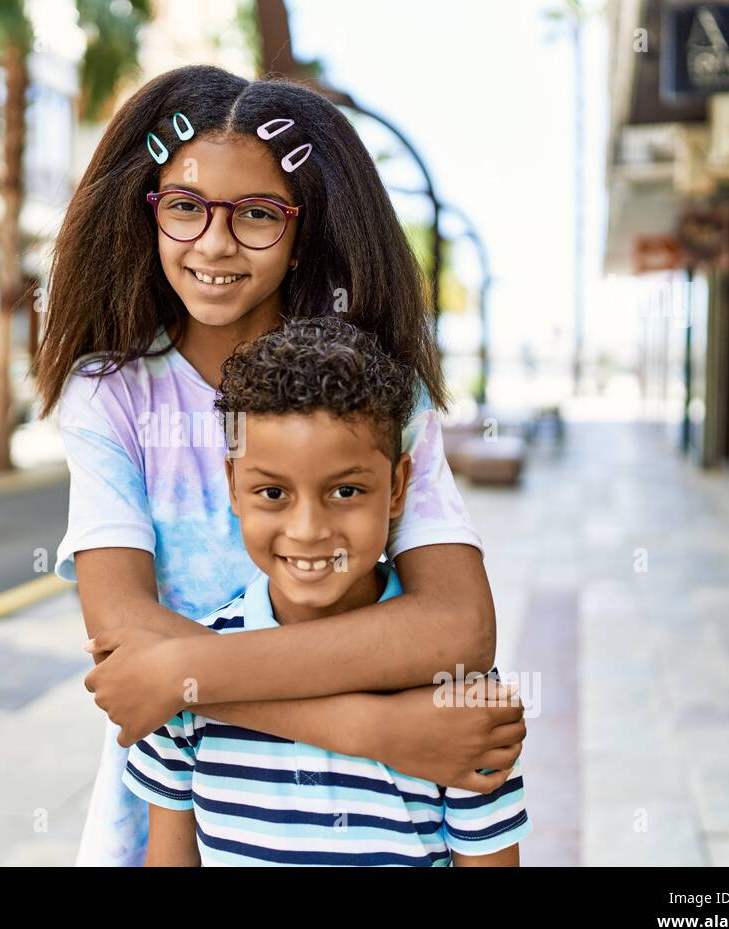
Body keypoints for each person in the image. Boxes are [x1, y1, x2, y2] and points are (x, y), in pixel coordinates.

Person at [34, 64, 526, 866]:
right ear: (150, 214)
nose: (214, 243)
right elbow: (124, 642)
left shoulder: (381, 393)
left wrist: (182, 673)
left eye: (257, 214)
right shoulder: (111, 395)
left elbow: (457, 626)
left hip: (382, 812)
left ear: (303, 232)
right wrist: (371, 727)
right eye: (186, 207)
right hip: (180, 813)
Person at [123, 318, 530, 866]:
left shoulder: (456, 693)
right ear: (233, 488)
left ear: (398, 487)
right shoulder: (188, 681)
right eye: (272, 492)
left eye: (345, 490)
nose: (309, 529)